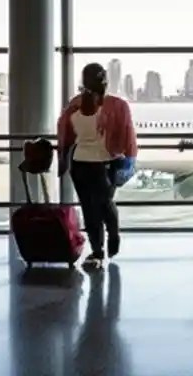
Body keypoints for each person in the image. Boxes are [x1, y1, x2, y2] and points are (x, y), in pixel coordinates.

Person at [58, 63, 138, 271]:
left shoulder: (113, 105)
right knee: (95, 207)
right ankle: (99, 248)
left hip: (103, 163)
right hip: (83, 163)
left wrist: (128, 158)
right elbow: (65, 135)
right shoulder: (76, 105)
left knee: (100, 205)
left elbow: (127, 135)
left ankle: (108, 241)